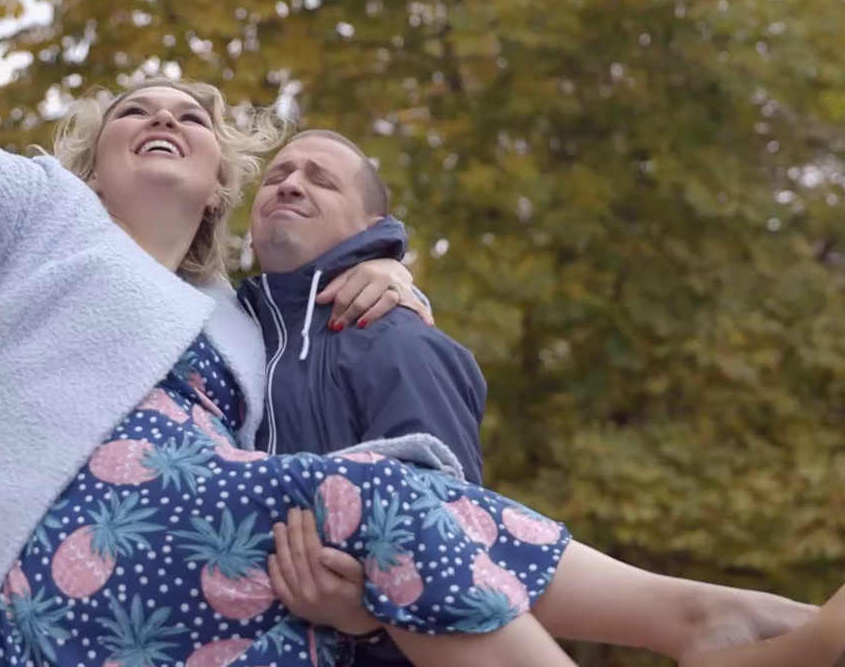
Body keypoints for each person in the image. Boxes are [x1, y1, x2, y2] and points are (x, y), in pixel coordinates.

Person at [0, 0, 845, 666]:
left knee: (397, 508)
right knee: (379, 493)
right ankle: (703, 625)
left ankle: (739, 626)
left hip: (178, 601)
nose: (164, 116)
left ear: (221, 181)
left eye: (194, 116)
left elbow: (320, 378)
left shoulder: (242, 321)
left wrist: (392, 280)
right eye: (134, 109)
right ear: (88, 159)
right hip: (50, 575)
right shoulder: (34, 223)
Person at [238, 129, 836, 666]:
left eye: (321, 179)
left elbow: (450, 534)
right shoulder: (222, 334)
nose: (289, 183)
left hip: (351, 647)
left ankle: (707, 618)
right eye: (277, 174)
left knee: (399, 499)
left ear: (372, 226)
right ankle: (702, 616)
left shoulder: (397, 342)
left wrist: (367, 622)